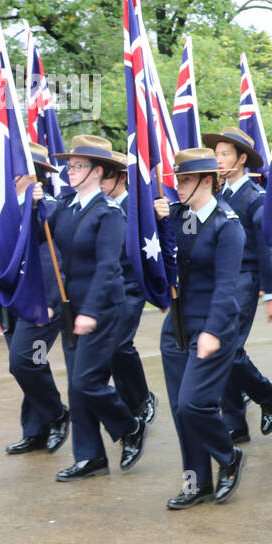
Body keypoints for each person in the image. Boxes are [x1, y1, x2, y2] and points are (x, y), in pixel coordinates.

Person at [41, 135, 150, 482]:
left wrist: (90, 311)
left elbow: (109, 268)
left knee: (87, 381)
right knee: (76, 385)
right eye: (69, 165)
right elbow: (41, 237)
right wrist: (30, 205)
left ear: (97, 170)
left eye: (78, 166)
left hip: (102, 308)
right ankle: (90, 457)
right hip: (72, 308)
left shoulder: (109, 213)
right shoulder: (65, 206)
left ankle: (129, 425)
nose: (69, 171)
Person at [152, 147, 246, 508]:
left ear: (208, 181)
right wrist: (160, 218)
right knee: (179, 409)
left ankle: (229, 456)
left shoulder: (228, 225)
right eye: (177, 178)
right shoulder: (176, 216)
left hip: (213, 326)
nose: (178, 186)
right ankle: (196, 482)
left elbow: (226, 286)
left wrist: (211, 331)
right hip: (177, 325)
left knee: (194, 404)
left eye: (186, 179)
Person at [202, 126, 272, 444]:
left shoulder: (255, 198)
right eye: (216, 154)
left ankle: (267, 394)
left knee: (228, 347)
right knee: (219, 349)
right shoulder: (217, 196)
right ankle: (235, 421)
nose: (219, 160)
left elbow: (264, 248)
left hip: (245, 279)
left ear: (242, 159)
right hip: (220, 280)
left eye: (225, 154)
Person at [3, 143, 71, 456]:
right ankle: (36, 431)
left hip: (41, 303)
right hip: (11, 301)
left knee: (25, 361)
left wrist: (52, 301)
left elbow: (53, 259)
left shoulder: (51, 209)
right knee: (31, 365)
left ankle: (57, 414)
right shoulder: (3, 209)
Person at [98, 150, 156, 427]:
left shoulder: (137, 209)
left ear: (120, 177)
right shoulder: (98, 207)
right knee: (111, 349)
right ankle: (129, 397)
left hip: (131, 286)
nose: (99, 184)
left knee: (120, 345)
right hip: (107, 288)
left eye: (104, 177)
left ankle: (142, 398)